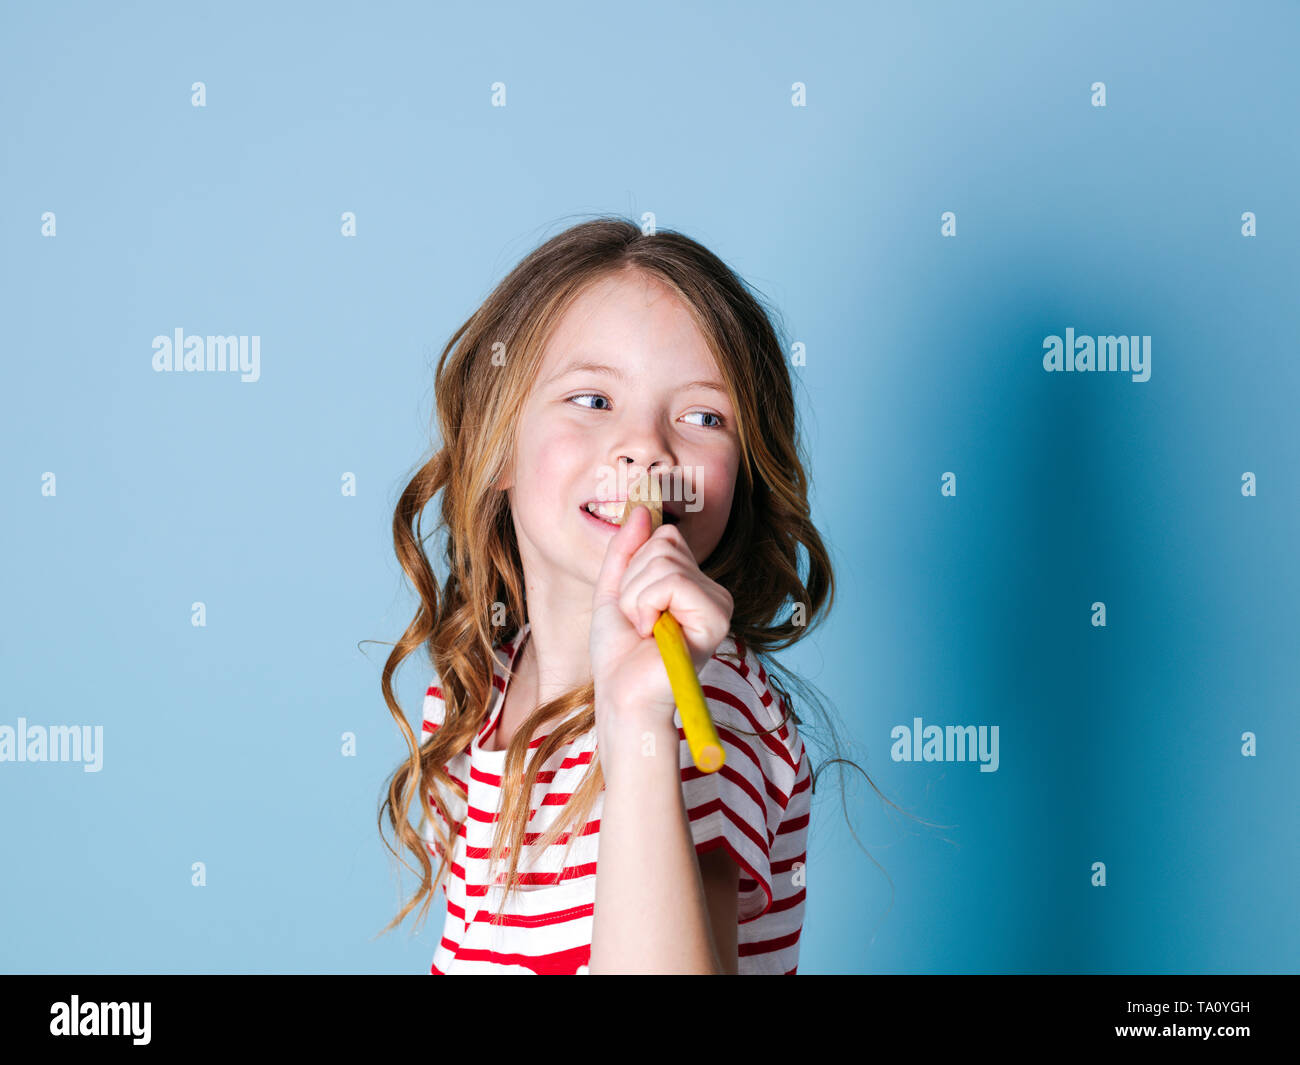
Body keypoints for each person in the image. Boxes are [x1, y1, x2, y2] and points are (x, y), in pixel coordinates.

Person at [379, 216, 858, 974]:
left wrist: (637, 718)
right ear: (497, 443)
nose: (645, 448)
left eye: (702, 416)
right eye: (592, 399)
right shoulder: (478, 690)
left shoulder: (704, 703)